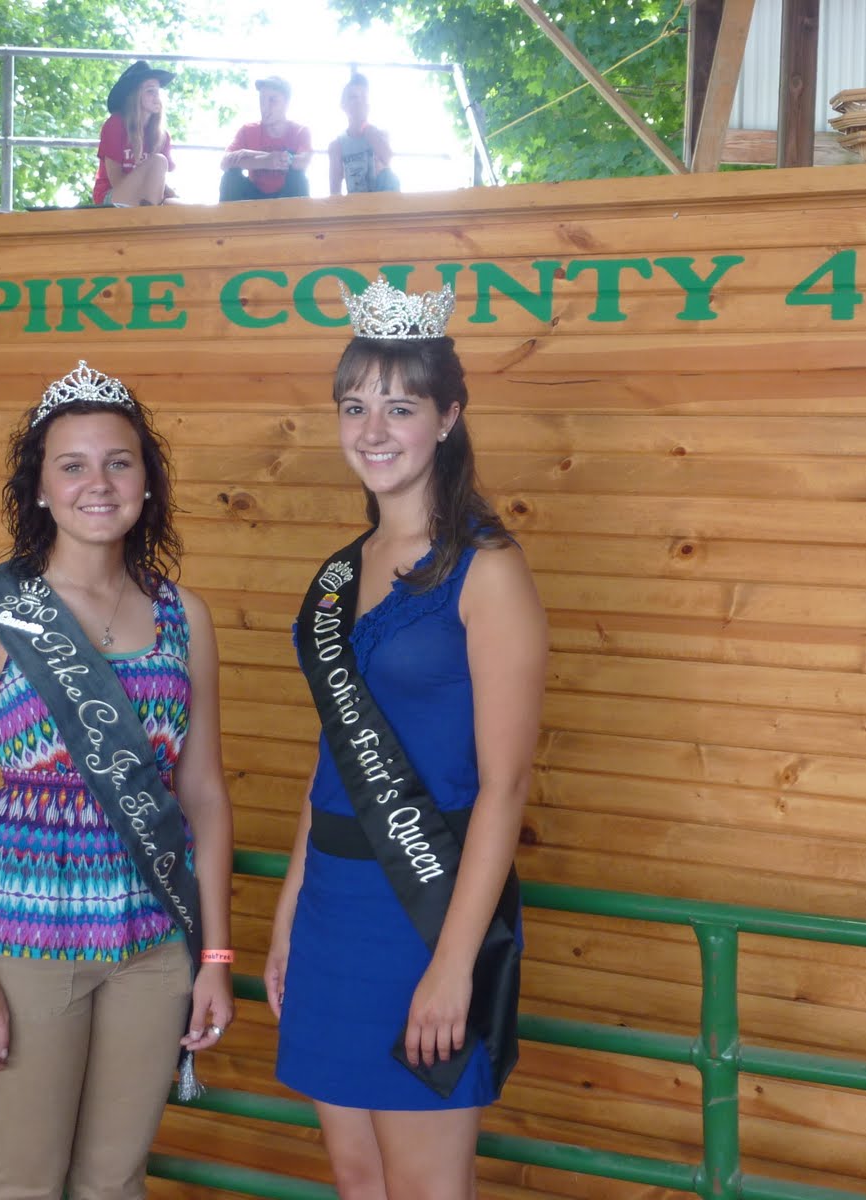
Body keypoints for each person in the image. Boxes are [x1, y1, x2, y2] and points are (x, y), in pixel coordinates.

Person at [265, 277, 547, 1199]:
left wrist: (454, 965)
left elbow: (504, 787)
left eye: (400, 405)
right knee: (357, 1180)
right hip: (334, 908)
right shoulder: (340, 573)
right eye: (355, 406)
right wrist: (286, 919)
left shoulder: (488, 571)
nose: (373, 430)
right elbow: (332, 760)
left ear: (449, 416)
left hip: (426, 914)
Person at [0, 361, 235, 1200]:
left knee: (113, 1181)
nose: (97, 483)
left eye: (119, 462)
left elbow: (202, 793)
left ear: (147, 480)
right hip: (27, 937)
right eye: (72, 465)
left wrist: (213, 955)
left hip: (154, 941)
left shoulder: (185, 616)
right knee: (24, 1180)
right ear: (38, 488)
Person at [94, 60, 178, 206]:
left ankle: (150, 219)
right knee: (159, 161)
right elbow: (116, 181)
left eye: (158, 91)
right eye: (150, 91)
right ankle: (149, 220)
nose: (157, 97)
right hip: (111, 198)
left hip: (146, 200)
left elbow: (159, 185)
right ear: (135, 95)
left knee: (185, 207)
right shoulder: (116, 124)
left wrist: (176, 199)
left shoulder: (162, 136)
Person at [219, 75, 311, 202]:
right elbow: (225, 162)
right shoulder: (248, 130)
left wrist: (249, 155)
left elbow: (303, 162)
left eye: (272, 100)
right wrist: (267, 160)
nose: (265, 107)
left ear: (287, 103)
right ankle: (229, 221)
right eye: (262, 100)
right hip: (253, 196)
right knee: (230, 177)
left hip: (286, 197)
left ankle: (298, 222)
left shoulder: (300, 131)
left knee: (299, 178)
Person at [328, 74, 399, 196]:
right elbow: (335, 191)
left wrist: (366, 128)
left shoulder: (379, 134)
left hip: (382, 200)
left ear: (369, 105)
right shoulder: (337, 145)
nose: (359, 102)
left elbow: (387, 158)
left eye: (363, 97)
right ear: (343, 105)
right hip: (357, 205)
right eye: (353, 97)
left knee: (388, 176)